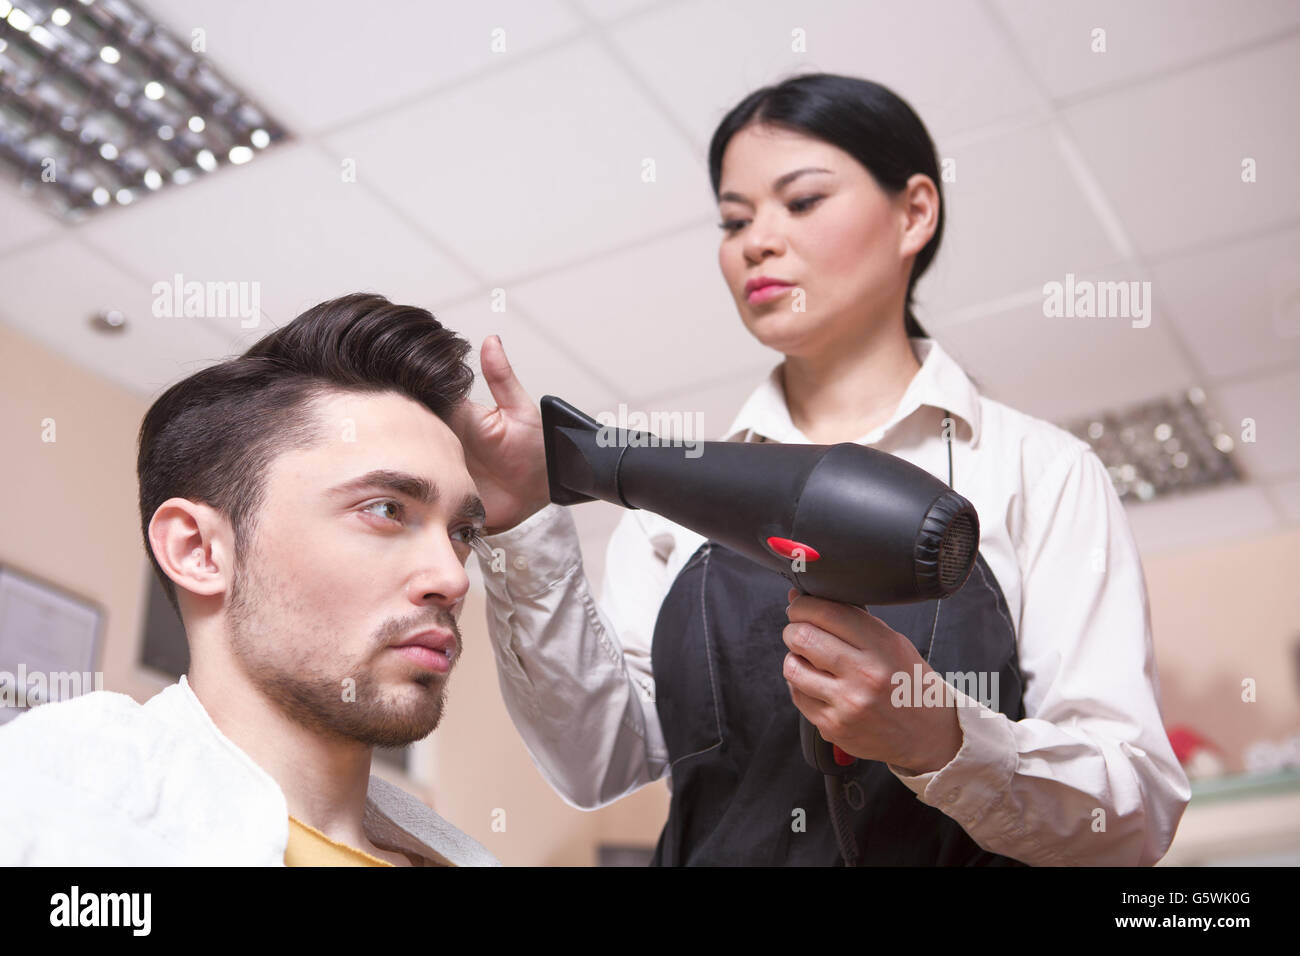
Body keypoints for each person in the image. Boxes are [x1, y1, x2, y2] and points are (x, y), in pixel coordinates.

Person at [453, 73, 1191, 865]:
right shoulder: (670, 501)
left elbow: (1135, 812)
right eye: (734, 219)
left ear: (914, 212)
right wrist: (524, 522)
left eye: (800, 202)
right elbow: (596, 763)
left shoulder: (1039, 473)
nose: (754, 242)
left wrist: (937, 733)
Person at [0, 294, 498, 867]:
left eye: (463, 532)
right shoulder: (56, 820)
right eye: (386, 509)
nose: (452, 579)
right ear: (199, 551)